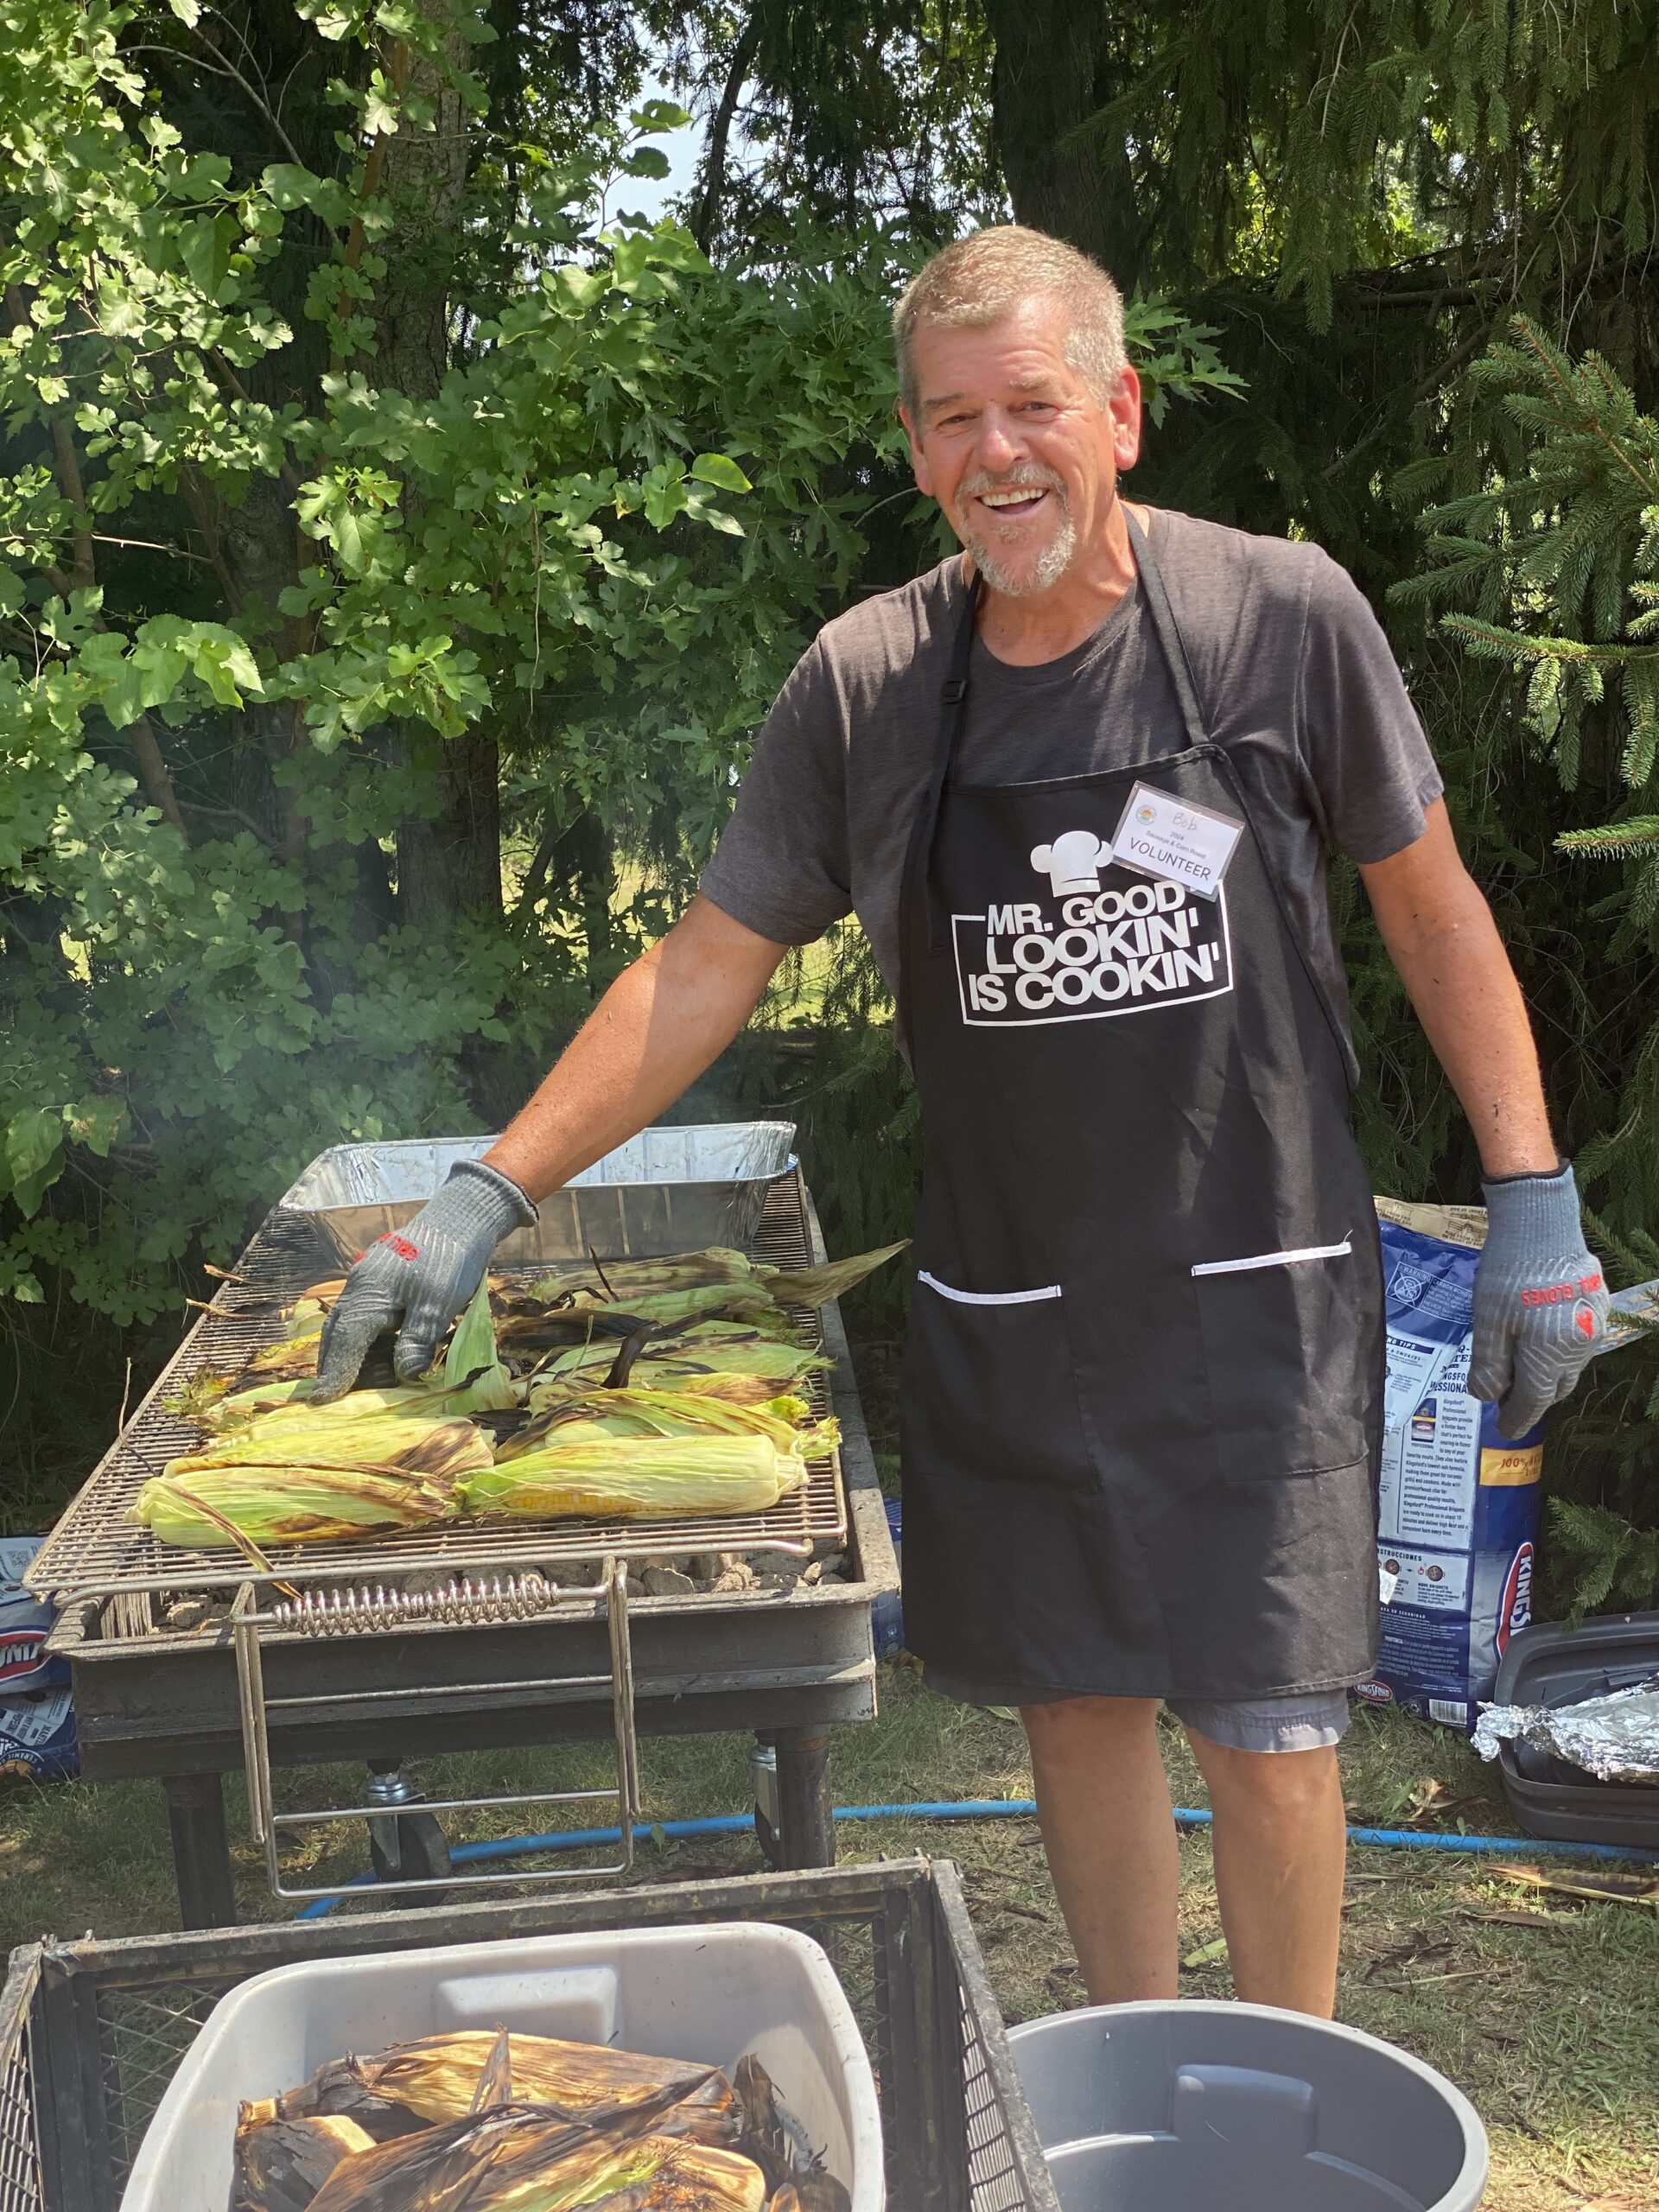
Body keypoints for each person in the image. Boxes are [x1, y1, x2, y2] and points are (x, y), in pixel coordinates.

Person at [312, 226, 1609, 2018]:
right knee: (1077, 1703)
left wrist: (1530, 1183)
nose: (997, 452)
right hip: (1020, 1304)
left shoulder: (1276, 612)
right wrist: (483, 1191)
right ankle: (1152, 2065)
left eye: (1033, 405)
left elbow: (1432, 900)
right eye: (951, 420)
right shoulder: (865, 680)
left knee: (1266, 1720)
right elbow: (706, 966)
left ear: (1122, 411)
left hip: (1261, 1297)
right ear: (918, 451)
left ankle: (1284, 2093)